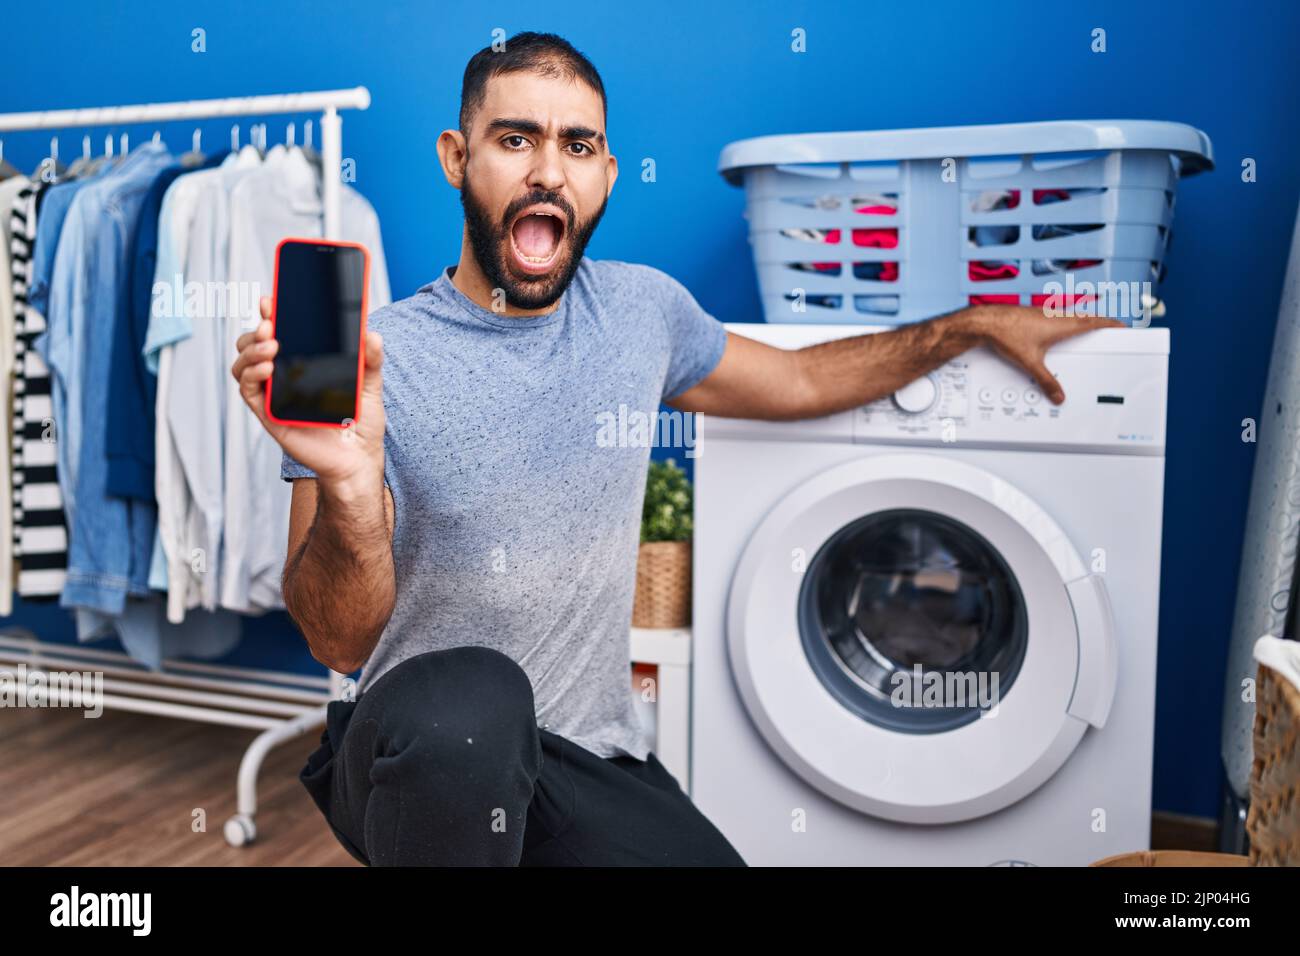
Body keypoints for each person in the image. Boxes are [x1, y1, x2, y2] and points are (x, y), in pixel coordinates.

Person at [230, 31, 1120, 867]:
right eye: (514, 139)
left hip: (584, 761)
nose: (548, 172)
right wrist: (349, 483)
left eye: (577, 147)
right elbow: (337, 641)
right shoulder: (377, 362)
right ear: (457, 158)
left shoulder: (643, 314)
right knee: (474, 704)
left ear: (608, 174)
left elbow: (805, 382)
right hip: (414, 758)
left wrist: (966, 326)